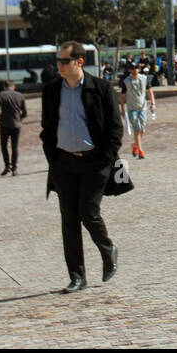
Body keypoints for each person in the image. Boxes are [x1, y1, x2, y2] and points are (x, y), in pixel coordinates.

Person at [41, 40, 122, 294]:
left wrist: (106, 157)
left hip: (94, 162)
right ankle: (77, 276)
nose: (59, 66)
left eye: (64, 61)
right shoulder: (52, 90)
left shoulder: (100, 88)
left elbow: (115, 128)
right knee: (69, 220)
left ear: (79, 62)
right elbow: (47, 128)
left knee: (88, 212)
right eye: (58, 61)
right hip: (64, 162)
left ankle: (108, 249)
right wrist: (52, 158)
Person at [0, 78, 27, 177]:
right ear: (13, 86)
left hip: (4, 125)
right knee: (14, 146)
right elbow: (24, 112)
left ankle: (7, 166)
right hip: (16, 124)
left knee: (4, 146)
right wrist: (19, 119)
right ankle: (14, 168)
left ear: (4, 87)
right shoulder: (20, 95)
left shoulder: (0, 95)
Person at [120, 63, 153, 160]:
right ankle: (141, 151)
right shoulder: (126, 81)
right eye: (133, 69)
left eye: (137, 68)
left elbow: (149, 90)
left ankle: (135, 145)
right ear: (129, 70)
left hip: (142, 107)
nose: (135, 70)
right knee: (137, 128)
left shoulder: (144, 79)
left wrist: (153, 103)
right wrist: (122, 109)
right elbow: (122, 96)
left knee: (142, 128)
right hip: (132, 108)